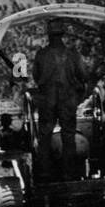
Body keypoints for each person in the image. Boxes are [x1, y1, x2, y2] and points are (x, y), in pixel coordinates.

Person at [31, 21, 86, 180]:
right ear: (62, 34)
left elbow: (36, 76)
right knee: (68, 136)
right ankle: (70, 174)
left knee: (45, 137)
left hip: (47, 101)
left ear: (49, 35)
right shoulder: (73, 54)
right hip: (68, 100)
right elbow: (83, 75)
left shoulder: (41, 54)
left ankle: (45, 174)